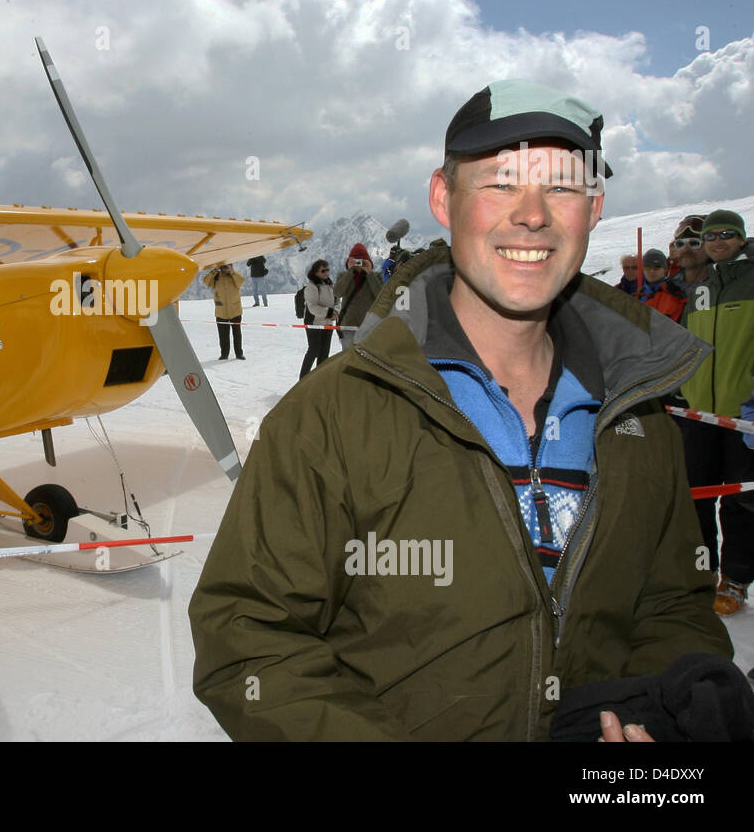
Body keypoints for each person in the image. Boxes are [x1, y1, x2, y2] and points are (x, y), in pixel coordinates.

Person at [189, 78, 732, 741]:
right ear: (444, 200)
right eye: (501, 181)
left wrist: (653, 713)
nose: (532, 214)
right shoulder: (331, 418)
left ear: (594, 209)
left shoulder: (639, 414)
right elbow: (248, 642)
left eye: (562, 185)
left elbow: (672, 602)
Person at [679, 209, 754, 616]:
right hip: (698, 414)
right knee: (696, 495)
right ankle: (701, 569)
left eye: (728, 234)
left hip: (743, 415)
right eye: (711, 236)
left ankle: (736, 579)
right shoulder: (701, 287)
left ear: (742, 238)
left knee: (740, 500)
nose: (718, 241)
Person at [332, 243, 383, 348]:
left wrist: (369, 273)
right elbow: (337, 292)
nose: (359, 264)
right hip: (348, 325)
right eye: (356, 261)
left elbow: (381, 296)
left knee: (368, 358)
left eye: (362, 261)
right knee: (348, 357)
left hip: (370, 326)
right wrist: (350, 271)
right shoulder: (343, 276)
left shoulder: (376, 276)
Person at [298, 259, 335, 379]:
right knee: (313, 351)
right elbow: (312, 307)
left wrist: (336, 312)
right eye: (323, 271)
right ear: (315, 273)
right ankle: (303, 379)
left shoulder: (330, 284)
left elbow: (337, 300)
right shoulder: (311, 286)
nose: (326, 273)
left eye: (327, 270)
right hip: (314, 322)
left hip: (328, 323)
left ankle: (319, 381)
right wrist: (330, 313)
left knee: (324, 354)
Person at [204, 263, 245, 360]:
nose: (225, 268)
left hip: (235, 310)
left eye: (227, 266)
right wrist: (215, 270)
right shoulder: (217, 276)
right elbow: (206, 282)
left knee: (237, 334)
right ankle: (224, 354)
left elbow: (241, 281)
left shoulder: (234, 276)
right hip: (221, 311)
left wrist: (231, 272)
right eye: (224, 266)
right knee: (223, 336)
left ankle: (239, 354)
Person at [635, 248, 686, 321]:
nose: (652, 271)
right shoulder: (638, 295)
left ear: (665, 269)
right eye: (647, 267)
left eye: (657, 267)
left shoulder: (674, 292)